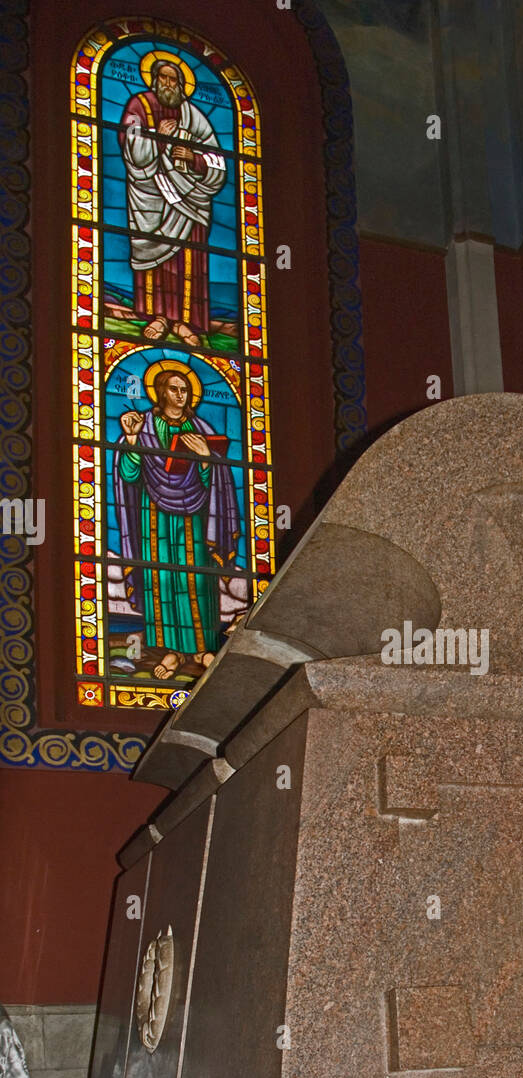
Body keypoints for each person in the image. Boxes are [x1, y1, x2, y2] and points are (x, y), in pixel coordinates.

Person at [115, 360, 240, 678]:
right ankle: (167, 650)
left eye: (185, 390)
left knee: (197, 578)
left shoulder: (202, 430)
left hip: (195, 517)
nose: (181, 395)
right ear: (160, 392)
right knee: (162, 577)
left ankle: (202, 648)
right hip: (153, 514)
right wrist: (131, 441)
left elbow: (217, 476)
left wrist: (204, 458)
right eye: (174, 389)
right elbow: (129, 475)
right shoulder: (141, 426)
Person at [119, 51, 226, 346]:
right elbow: (131, 146)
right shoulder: (138, 106)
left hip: (190, 200)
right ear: (154, 81)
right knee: (156, 260)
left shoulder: (194, 115)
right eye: (163, 78)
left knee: (189, 257)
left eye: (174, 79)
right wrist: (157, 137)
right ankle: (159, 316)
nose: (168, 84)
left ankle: (183, 321)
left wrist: (194, 158)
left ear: (181, 84)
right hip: (151, 196)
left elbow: (218, 158)